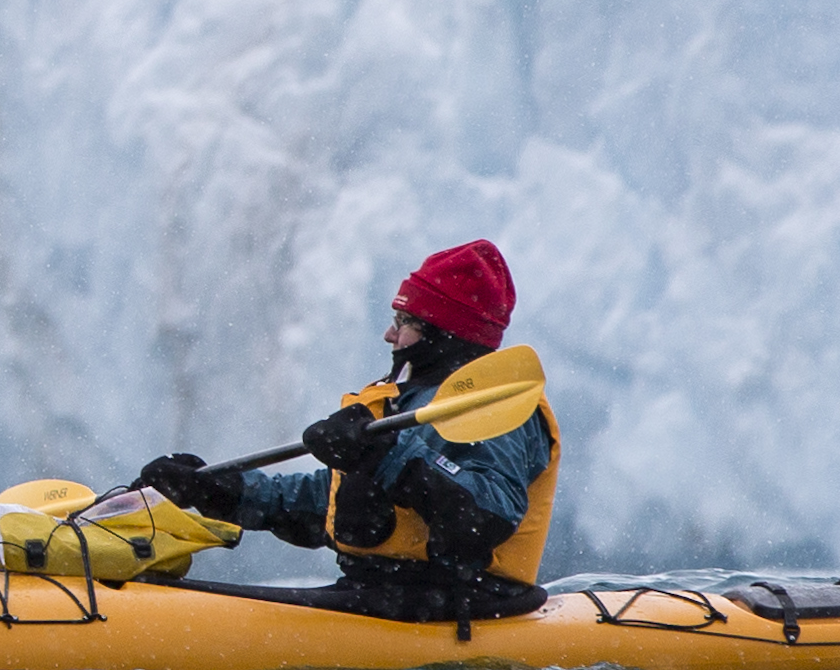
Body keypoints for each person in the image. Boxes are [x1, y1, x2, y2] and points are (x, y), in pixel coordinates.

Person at [132, 239, 559, 619]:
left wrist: (384, 456)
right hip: (380, 599)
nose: (389, 334)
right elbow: (327, 503)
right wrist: (219, 490)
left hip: (463, 608)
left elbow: (487, 516)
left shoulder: (501, 411)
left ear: (445, 332)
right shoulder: (403, 403)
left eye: (405, 321)